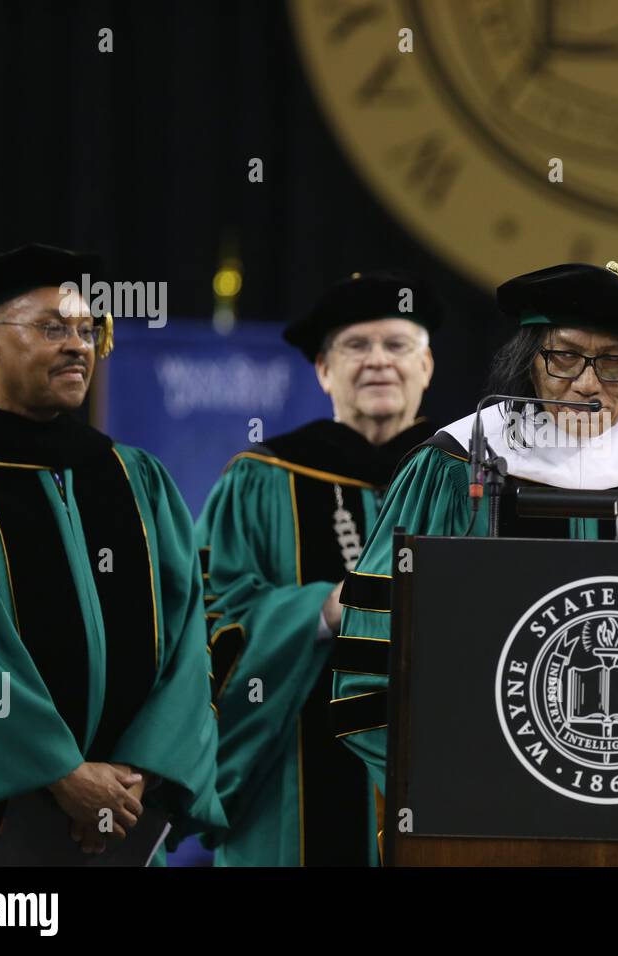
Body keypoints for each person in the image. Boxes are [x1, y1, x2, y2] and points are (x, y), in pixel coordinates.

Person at [331, 261, 618, 859]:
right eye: (565, 358)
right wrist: (445, 790)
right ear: (529, 359)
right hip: (476, 812)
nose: (587, 384)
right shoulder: (450, 467)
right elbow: (375, 652)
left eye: (614, 363)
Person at [0, 243, 223, 864]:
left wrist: (138, 774)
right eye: (52, 328)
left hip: (123, 827)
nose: (78, 344)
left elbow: (189, 635)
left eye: (87, 329)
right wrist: (62, 774)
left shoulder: (135, 479)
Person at [196, 270, 438, 866]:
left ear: (427, 366)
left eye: (397, 345)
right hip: (291, 787)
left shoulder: (466, 479)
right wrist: (319, 612)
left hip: (441, 770)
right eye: (356, 346)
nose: (378, 361)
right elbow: (205, 616)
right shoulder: (264, 476)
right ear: (324, 370)